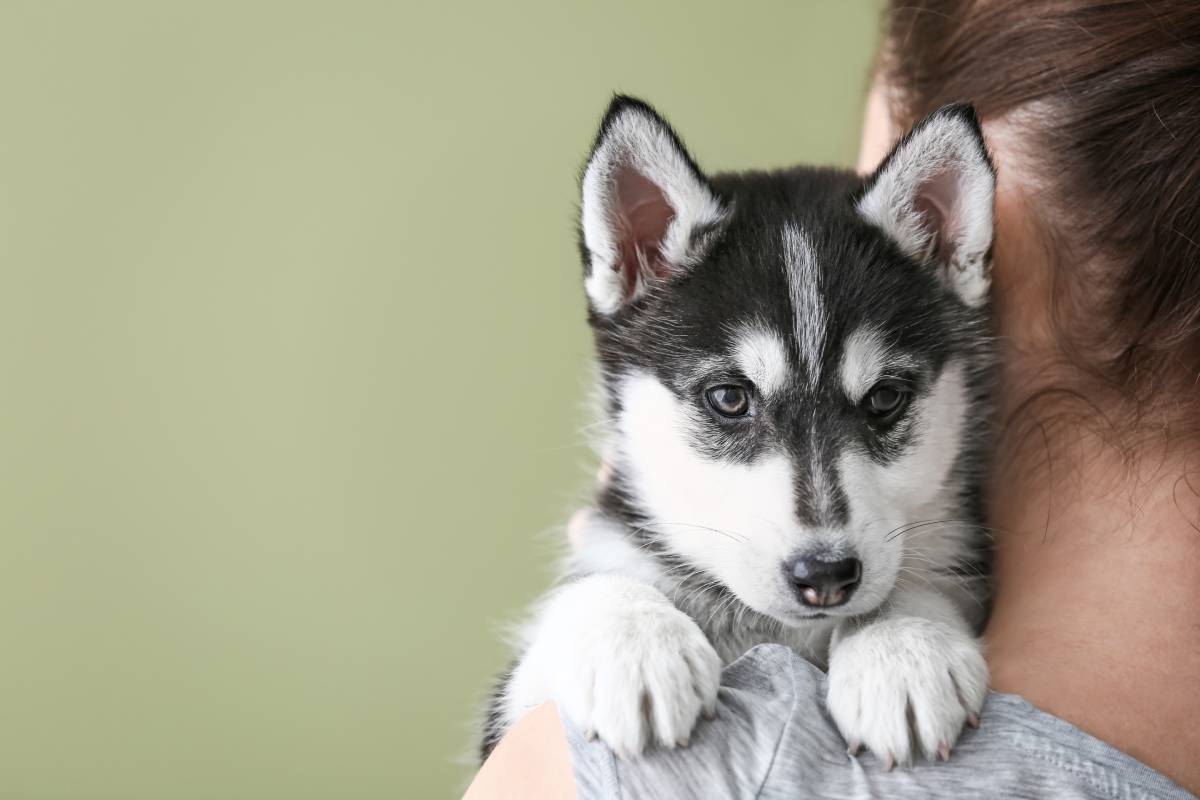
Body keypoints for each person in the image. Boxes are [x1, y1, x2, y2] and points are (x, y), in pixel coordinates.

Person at [465, 1, 1200, 796]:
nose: (823, 533)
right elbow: (527, 709)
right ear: (635, 263)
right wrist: (607, 613)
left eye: (884, 401)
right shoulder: (620, 577)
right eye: (729, 402)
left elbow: (536, 757)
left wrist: (909, 622)